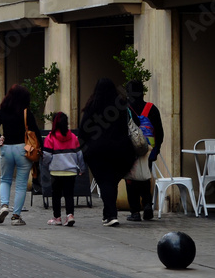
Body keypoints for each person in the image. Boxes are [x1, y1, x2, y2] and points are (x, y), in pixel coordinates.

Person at [79, 78, 136, 227]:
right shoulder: (121, 106)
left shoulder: (92, 106)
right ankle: (108, 213)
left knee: (104, 182)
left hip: (97, 152)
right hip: (119, 150)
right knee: (111, 182)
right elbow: (125, 128)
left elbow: (83, 130)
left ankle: (111, 215)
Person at [0, 84, 42, 226]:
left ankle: (4, 205)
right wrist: (41, 149)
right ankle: (16, 216)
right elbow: (35, 132)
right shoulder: (26, 113)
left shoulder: (3, 112)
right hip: (23, 149)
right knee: (21, 184)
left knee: (5, 180)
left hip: (6, 149)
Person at [125, 79, 164, 221]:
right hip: (148, 150)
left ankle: (135, 212)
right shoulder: (151, 108)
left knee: (130, 180)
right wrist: (156, 150)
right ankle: (147, 204)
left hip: (130, 150)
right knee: (145, 178)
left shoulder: (126, 108)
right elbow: (159, 132)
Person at [42, 112, 84, 226]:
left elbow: (46, 155)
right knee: (69, 194)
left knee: (56, 195)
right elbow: (79, 154)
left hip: (56, 171)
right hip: (70, 172)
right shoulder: (73, 137)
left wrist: (46, 164)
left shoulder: (50, 138)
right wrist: (82, 168)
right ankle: (70, 215)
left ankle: (57, 218)